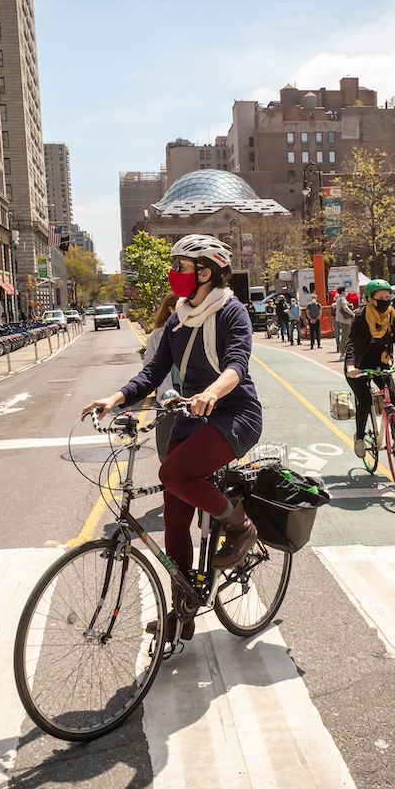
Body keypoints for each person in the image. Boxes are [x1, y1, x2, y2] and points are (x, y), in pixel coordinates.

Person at [83, 234, 262, 638]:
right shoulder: (179, 320)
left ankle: (240, 526)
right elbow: (152, 371)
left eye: (181, 266)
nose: (174, 274)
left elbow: (236, 364)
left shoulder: (232, 311)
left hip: (234, 414)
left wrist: (212, 392)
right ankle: (182, 610)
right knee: (175, 519)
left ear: (205, 272)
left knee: (174, 474)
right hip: (190, 417)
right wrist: (116, 398)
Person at [344, 279, 395, 457]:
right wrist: (351, 365)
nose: (385, 301)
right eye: (381, 297)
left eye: (387, 297)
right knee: (365, 400)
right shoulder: (360, 316)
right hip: (359, 366)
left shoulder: (392, 316)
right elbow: (352, 343)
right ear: (370, 299)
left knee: (392, 397)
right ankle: (360, 437)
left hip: (380, 363)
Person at [145, 292, 183, 460]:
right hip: (168, 394)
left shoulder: (196, 330)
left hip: (193, 393)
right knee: (166, 447)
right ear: (171, 309)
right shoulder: (157, 335)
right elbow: (148, 367)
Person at [334, 287, 355, 355]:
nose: (346, 292)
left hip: (340, 319)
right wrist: (352, 314)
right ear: (342, 292)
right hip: (345, 319)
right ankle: (342, 351)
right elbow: (345, 308)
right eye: (345, 291)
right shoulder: (342, 299)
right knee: (346, 335)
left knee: (344, 335)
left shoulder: (338, 299)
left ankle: (342, 350)